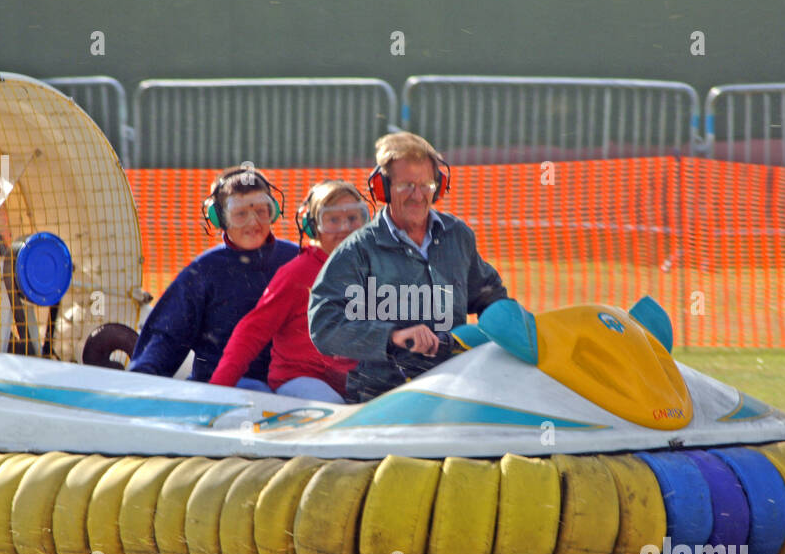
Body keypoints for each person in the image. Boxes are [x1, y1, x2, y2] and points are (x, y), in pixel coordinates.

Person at [308, 131, 508, 402]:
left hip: (451, 386)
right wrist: (392, 336)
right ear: (383, 188)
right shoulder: (359, 250)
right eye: (406, 186)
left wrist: (509, 326)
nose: (418, 195)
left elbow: (488, 294)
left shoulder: (457, 235)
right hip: (382, 396)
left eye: (425, 184)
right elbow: (324, 326)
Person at [127, 165, 298, 390]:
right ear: (220, 219)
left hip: (289, 389)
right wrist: (142, 379)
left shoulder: (296, 260)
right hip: (219, 390)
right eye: (240, 213)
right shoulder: (203, 271)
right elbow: (168, 336)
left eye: (261, 211)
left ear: (273, 211)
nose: (253, 222)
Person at [209, 181, 368, 403]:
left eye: (353, 218)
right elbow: (252, 331)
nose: (344, 228)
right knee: (333, 406)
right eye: (332, 219)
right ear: (313, 227)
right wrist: (218, 390)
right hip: (302, 380)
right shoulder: (297, 273)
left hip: (351, 383)